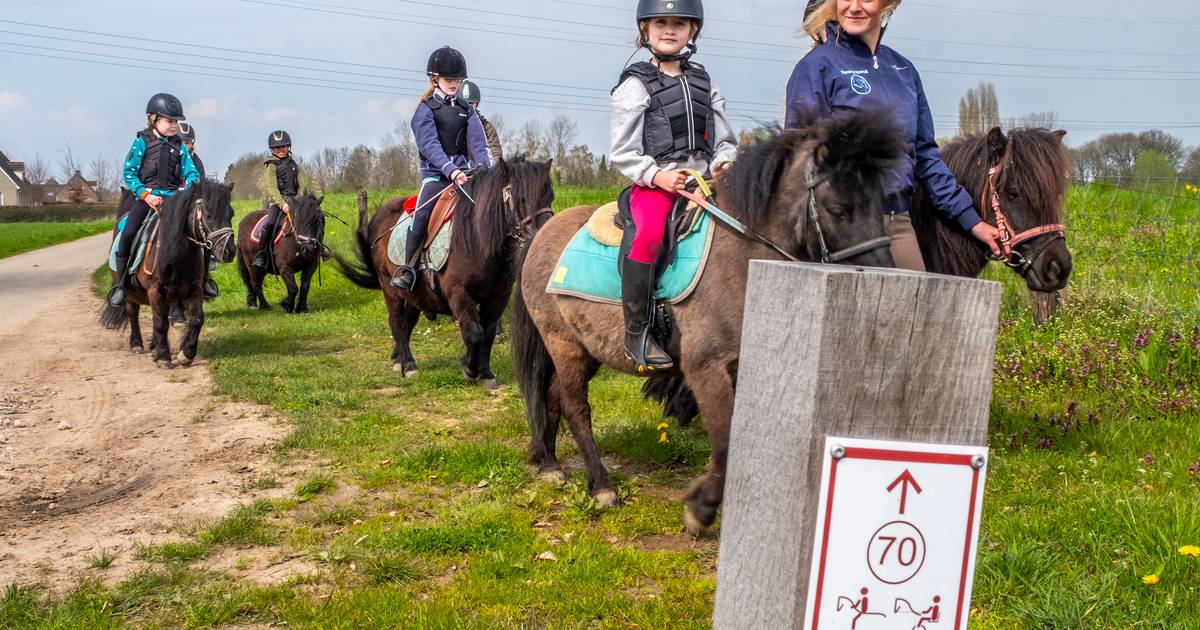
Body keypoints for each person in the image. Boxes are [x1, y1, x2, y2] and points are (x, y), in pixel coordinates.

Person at [786, 0, 1006, 271]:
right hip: (845, 225)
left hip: (897, 220)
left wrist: (972, 222)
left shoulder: (903, 70)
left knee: (917, 297)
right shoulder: (816, 66)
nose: (854, 7)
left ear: (887, 4)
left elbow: (926, 157)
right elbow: (800, 156)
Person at [611, 0, 737, 372]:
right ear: (645, 29)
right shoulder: (634, 85)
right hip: (656, 185)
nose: (669, 29)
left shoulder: (706, 83)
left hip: (705, 184)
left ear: (692, 30)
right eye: (661, 22)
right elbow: (623, 152)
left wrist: (723, 162)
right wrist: (658, 176)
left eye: (679, 23)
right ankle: (637, 332)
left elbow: (724, 140)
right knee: (649, 235)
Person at [390, 46, 493, 292]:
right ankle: (408, 269)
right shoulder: (425, 109)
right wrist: (451, 170)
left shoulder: (467, 110)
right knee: (422, 214)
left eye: (458, 79)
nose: (454, 84)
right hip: (437, 176)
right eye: (449, 79)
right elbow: (430, 146)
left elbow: (479, 145)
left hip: (466, 175)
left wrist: (488, 173)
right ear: (435, 79)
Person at [107, 93, 201, 308]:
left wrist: (183, 192)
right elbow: (129, 173)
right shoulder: (141, 142)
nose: (174, 125)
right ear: (154, 119)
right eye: (170, 121)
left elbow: (192, 174)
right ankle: (121, 285)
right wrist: (145, 194)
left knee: (196, 233)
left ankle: (202, 281)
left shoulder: (179, 146)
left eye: (176, 121)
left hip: (174, 202)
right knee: (127, 234)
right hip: (146, 200)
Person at [177, 121, 219, 300]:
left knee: (205, 233)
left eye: (188, 142)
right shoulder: (170, 157)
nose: (185, 145)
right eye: (182, 142)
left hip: (191, 204)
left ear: (192, 143)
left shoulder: (197, 161)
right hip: (172, 201)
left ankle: (206, 278)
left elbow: (200, 186)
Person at [254, 130, 301, 269]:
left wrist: (301, 199)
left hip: (295, 201)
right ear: (272, 150)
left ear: (288, 147)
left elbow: (301, 184)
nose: (280, 150)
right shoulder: (271, 166)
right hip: (278, 203)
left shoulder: (294, 164)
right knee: (269, 223)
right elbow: (272, 188)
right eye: (276, 148)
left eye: (283, 147)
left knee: (312, 217)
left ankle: (319, 248)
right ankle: (261, 253)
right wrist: (282, 203)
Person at [459, 80, 504, 164]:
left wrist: (494, 168)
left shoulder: (487, 127)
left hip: (481, 168)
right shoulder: (450, 123)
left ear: (476, 104)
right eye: (463, 103)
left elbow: (495, 153)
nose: (467, 106)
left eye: (471, 103)